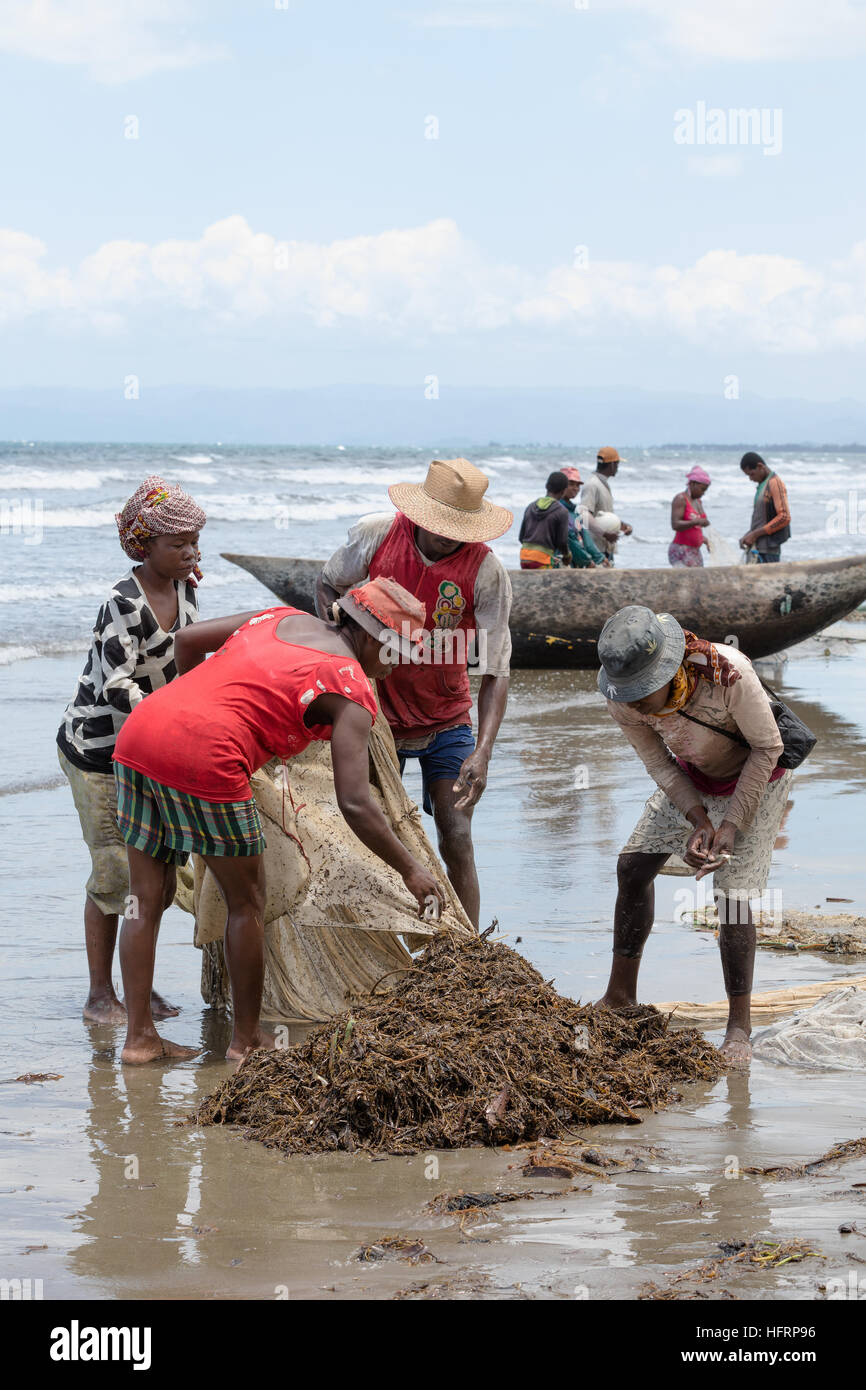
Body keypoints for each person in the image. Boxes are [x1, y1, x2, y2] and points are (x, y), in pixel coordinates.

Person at [111, 578, 445, 1064]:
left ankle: (139, 1039)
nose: (394, 669)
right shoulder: (351, 687)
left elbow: (187, 640)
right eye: (396, 652)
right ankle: (245, 1042)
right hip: (210, 757)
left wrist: (191, 707)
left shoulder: (279, 617)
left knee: (143, 899)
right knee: (247, 904)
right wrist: (411, 869)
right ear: (373, 637)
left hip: (142, 732)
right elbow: (354, 803)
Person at [315, 458, 513, 931]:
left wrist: (483, 752)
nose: (449, 537)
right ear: (421, 514)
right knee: (370, 831)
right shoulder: (378, 535)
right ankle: (379, 935)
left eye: (459, 529)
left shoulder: (485, 570)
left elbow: (497, 669)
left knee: (456, 833)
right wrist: (339, 646)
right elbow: (327, 585)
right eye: (441, 526)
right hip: (375, 715)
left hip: (446, 717)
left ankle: (464, 949)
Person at [595, 605, 791, 1069]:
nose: (637, 705)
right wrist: (698, 818)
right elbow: (659, 763)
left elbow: (768, 747)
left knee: (734, 898)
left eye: (646, 692)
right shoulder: (621, 697)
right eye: (629, 695)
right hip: (694, 777)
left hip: (757, 777)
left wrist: (730, 826)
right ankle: (620, 995)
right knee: (632, 867)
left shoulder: (729, 675)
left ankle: (738, 1025)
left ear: (670, 669)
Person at [57, 476, 207, 1023]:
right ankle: (100, 993)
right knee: (117, 873)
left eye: (194, 540)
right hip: (99, 753)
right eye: (177, 543)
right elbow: (117, 686)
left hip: (152, 747)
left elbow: (186, 660)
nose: (191, 552)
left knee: (159, 878)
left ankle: (137, 989)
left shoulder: (187, 587)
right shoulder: (122, 603)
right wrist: (173, 724)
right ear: (143, 547)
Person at [579, 447, 633, 563]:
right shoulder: (592, 485)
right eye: (617, 464)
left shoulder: (602, 484)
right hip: (596, 549)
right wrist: (604, 534)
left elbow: (602, 513)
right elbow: (584, 514)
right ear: (612, 464)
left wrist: (622, 525)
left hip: (605, 548)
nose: (617, 468)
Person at [739, 452, 791, 563]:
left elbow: (784, 517)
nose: (750, 479)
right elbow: (762, 520)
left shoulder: (775, 483)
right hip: (758, 548)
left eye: (751, 474)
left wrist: (755, 534)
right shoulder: (762, 486)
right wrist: (748, 534)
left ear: (760, 466)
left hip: (768, 551)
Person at [519, 471, 573, 569]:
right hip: (541, 561)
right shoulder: (562, 511)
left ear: (547, 486)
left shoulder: (530, 507)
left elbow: (521, 537)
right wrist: (567, 556)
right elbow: (562, 542)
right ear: (564, 491)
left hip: (524, 558)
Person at [559, 467, 610, 569]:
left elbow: (587, 540)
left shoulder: (576, 512)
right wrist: (587, 561)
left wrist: (601, 558)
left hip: (575, 562)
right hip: (562, 561)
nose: (576, 488)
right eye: (571, 484)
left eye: (578, 485)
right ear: (562, 486)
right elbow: (570, 541)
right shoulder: (558, 510)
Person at [669, 465, 711, 567]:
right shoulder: (681, 499)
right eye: (702, 489)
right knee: (692, 579)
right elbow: (675, 524)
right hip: (681, 548)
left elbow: (695, 529)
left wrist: (704, 539)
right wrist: (697, 521)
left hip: (694, 549)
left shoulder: (698, 501)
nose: (703, 493)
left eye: (705, 490)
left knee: (699, 578)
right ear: (692, 484)